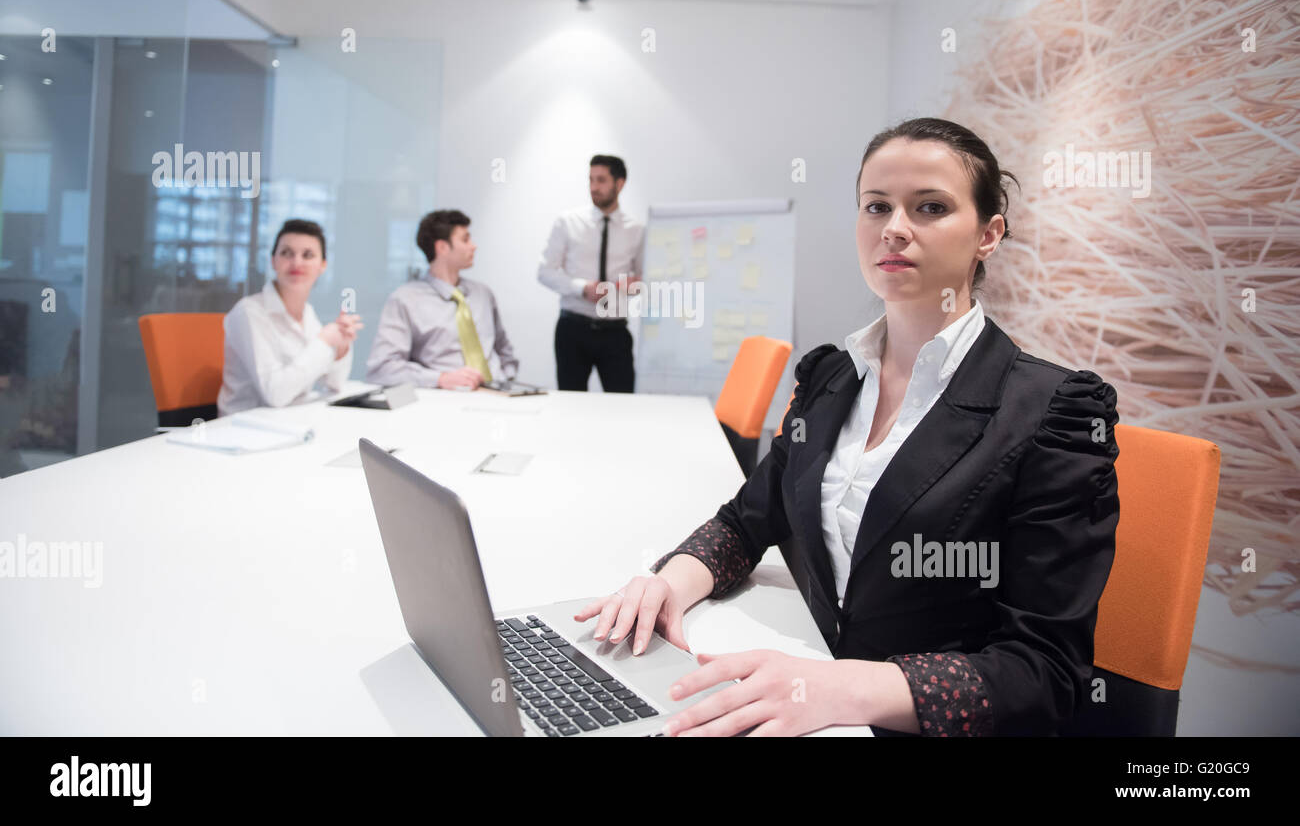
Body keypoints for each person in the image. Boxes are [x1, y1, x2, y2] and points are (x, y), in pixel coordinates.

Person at [574, 118, 1122, 737]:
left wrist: (845, 689)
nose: (894, 227)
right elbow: (748, 519)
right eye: (876, 206)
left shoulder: (1052, 412)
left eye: (931, 207)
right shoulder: (833, 379)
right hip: (804, 700)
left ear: (988, 234)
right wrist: (668, 583)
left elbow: (1044, 673)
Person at [218, 218, 360, 416]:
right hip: (245, 428)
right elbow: (276, 394)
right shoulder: (249, 312)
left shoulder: (308, 314)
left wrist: (341, 347)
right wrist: (324, 341)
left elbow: (334, 384)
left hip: (290, 421)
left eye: (308, 255)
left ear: (323, 265)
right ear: (273, 260)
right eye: (286, 253)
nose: (297, 262)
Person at [366, 209, 518, 389]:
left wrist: (506, 377)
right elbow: (382, 368)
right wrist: (440, 379)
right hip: (445, 401)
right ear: (442, 247)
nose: (473, 246)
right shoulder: (405, 300)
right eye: (465, 239)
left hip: (499, 396)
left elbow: (504, 350)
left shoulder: (483, 294)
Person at [538, 154, 644, 392]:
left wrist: (634, 285)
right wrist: (582, 288)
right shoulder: (567, 222)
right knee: (571, 404)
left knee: (622, 405)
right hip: (573, 329)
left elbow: (646, 278)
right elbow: (544, 272)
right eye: (591, 180)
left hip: (615, 332)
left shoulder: (636, 230)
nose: (594, 187)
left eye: (601, 180)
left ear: (620, 184)